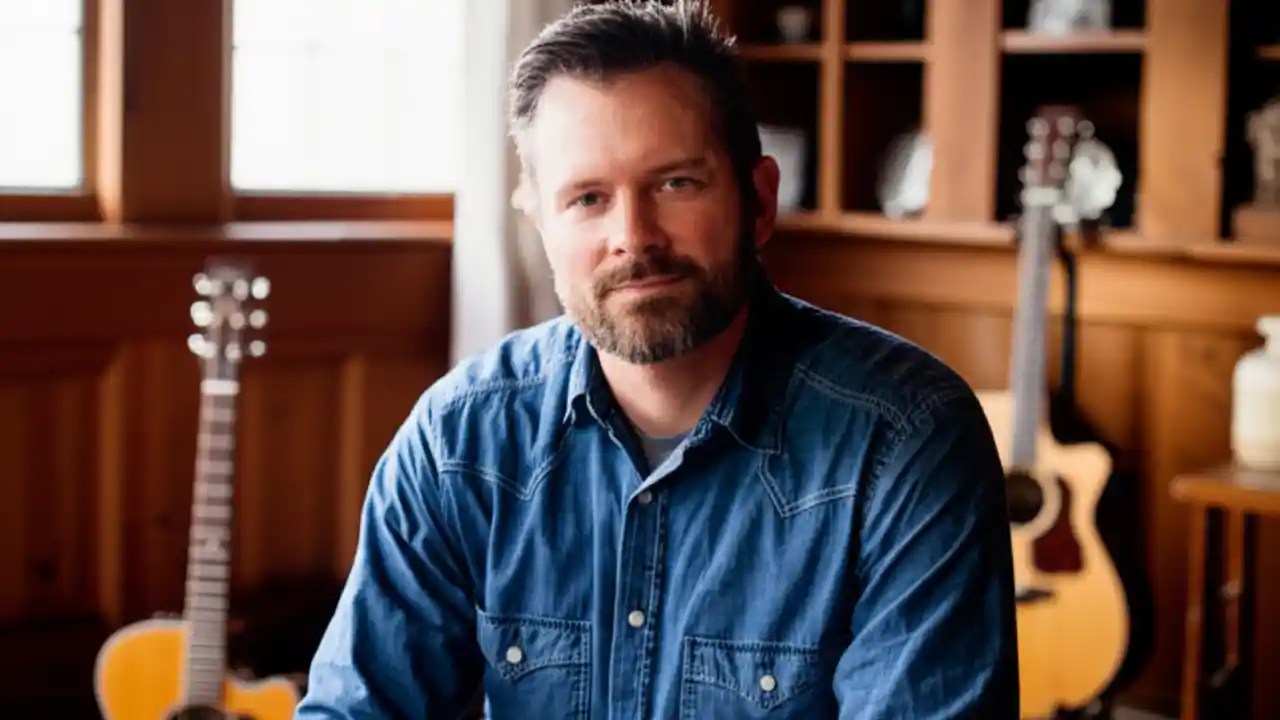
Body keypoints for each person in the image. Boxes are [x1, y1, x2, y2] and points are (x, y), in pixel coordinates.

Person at [295, 1, 1018, 717]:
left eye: (676, 183)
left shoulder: (905, 442)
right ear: (540, 223)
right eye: (586, 198)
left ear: (758, 202)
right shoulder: (459, 443)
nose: (633, 237)